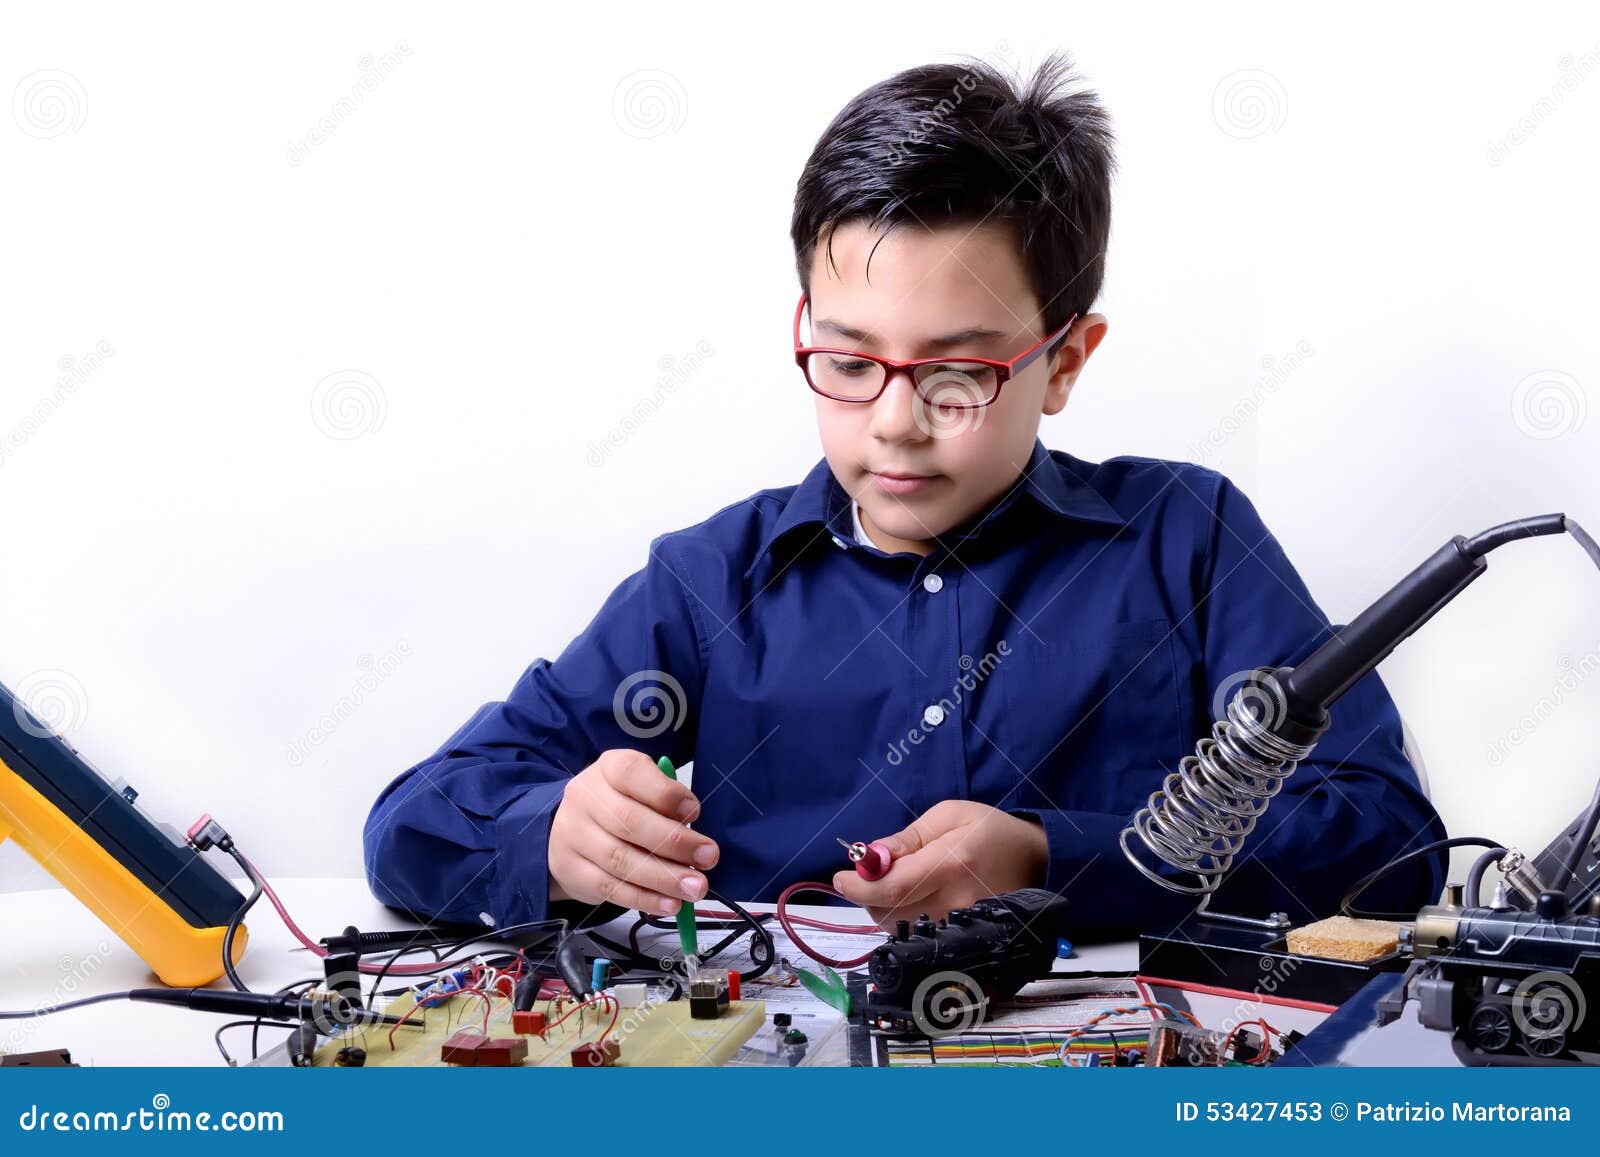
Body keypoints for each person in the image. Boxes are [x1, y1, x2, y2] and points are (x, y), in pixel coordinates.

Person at [363, 53, 1445, 938]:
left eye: (956, 374)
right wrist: (552, 833)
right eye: (847, 360)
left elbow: (1384, 836)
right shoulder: (706, 586)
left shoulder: (1186, 544)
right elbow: (413, 819)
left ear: (1063, 362)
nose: (892, 419)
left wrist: (1054, 858)